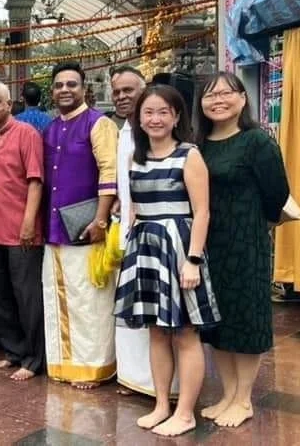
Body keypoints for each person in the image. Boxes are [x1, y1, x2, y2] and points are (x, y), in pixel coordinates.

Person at [114, 85, 219, 437]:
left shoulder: (189, 155)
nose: (155, 118)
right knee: (156, 332)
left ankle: (186, 412)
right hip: (145, 247)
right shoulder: (135, 158)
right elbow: (134, 208)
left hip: (178, 247)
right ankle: (162, 404)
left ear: (176, 117)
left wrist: (193, 260)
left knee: (186, 334)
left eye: (163, 112)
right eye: (148, 112)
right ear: (139, 118)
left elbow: (202, 212)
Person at [197, 72, 290, 428]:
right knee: (217, 320)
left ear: (241, 99)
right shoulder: (199, 143)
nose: (218, 100)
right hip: (209, 244)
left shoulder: (256, 142)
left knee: (246, 319)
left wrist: (254, 224)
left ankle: (244, 399)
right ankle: (227, 394)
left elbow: (277, 193)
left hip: (246, 242)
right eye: (210, 95)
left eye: (226, 93)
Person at [41, 62, 119, 389]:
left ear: (84, 89)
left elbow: (109, 172)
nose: (65, 90)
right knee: (58, 298)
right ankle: (64, 364)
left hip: (87, 228)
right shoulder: (50, 128)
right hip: (55, 228)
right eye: (59, 85)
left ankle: (93, 367)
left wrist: (101, 219)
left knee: (91, 300)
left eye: (71, 84)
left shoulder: (98, 124)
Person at [110, 66, 179, 398]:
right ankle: (134, 379)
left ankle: (163, 387)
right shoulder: (122, 131)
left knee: (163, 317)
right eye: (117, 92)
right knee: (135, 312)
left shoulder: (163, 136)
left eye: (129, 90)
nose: (123, 97)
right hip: (131, 232)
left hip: (166, 236)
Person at [0, 81, 46, 381]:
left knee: (26, 296)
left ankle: (33, 358)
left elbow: (35, 180)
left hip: (21, 232)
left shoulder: (26, 134)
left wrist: (29, 222)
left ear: (8, 105)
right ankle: (13, 351)